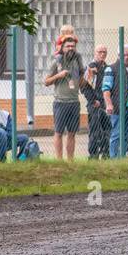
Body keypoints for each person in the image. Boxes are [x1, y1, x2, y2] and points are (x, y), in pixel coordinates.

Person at [44, 32, 83, 160]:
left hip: (74, 102)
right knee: (59, 133)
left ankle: (70, 162)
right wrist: (58, 76)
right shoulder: (56, 62)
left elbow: (82, 79)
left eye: (73, 46)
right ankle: (59, 161)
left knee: (72, 133)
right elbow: (46, 82)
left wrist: (89, 76)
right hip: (60, 102)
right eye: (68, 46)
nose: (71, 48)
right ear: (62, 47)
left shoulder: (78, 60)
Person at [82, 44, 112, 159]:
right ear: (95, 53)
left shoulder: (107, 68)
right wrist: (93, 100)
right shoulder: (91, 67)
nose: (102, 54)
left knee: (107, 130)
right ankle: (93, 155)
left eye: (104, 52)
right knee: (95, 131)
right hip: (94, 104)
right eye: (100, 52)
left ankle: (106, 153)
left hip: (106, 104)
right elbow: (84, 87)